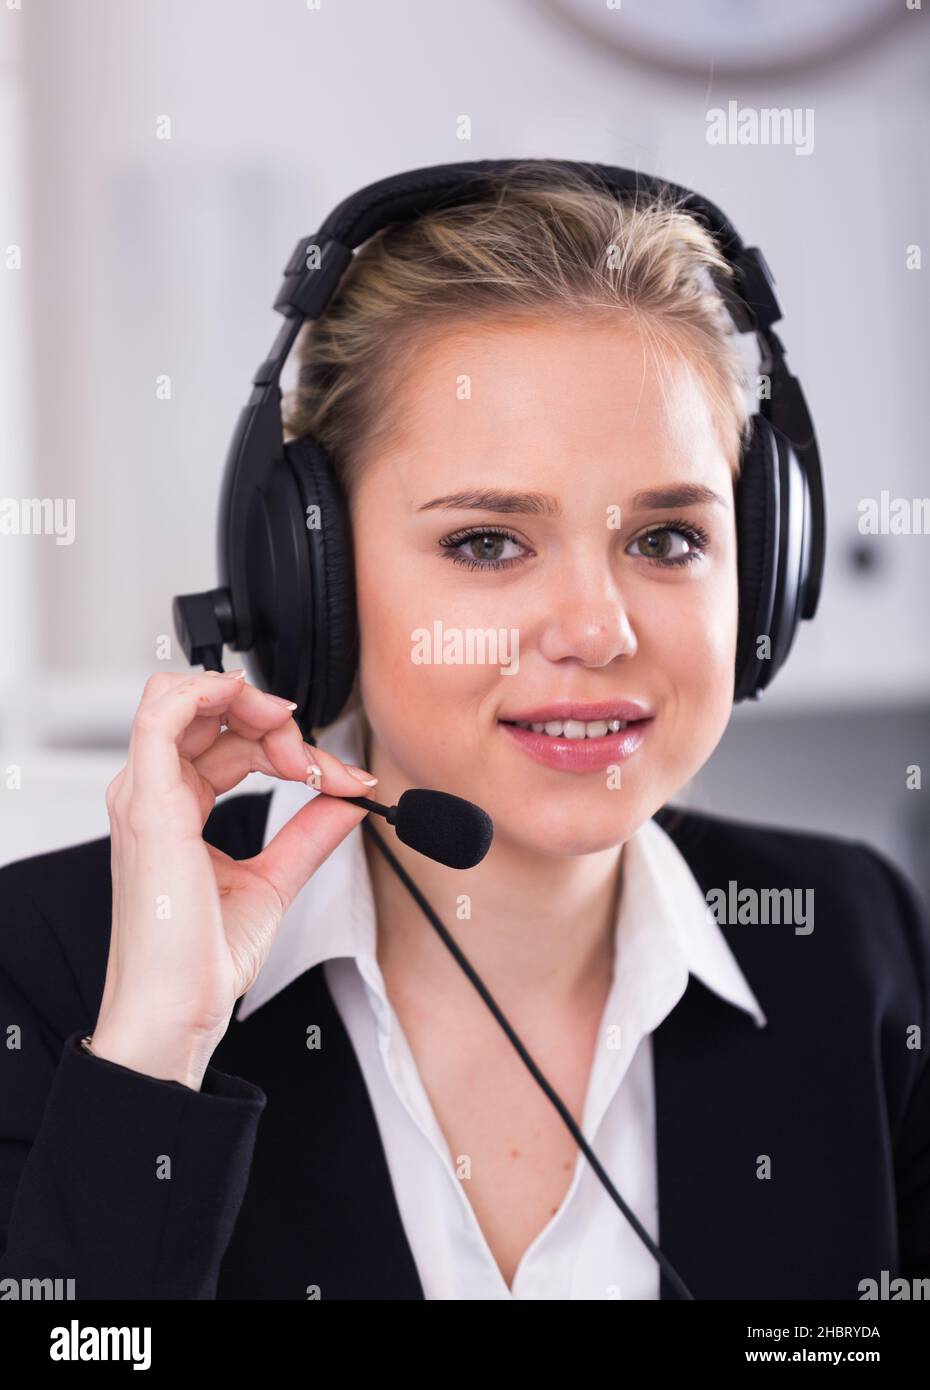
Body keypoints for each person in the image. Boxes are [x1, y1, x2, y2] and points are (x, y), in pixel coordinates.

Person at [1, 162, 927, 1302]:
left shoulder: (857, 945)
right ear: (308, 585)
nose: (596, 629)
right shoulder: (52, 967)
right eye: (488, 542)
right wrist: (154, 1060)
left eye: (667, 539)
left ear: (768, 571)